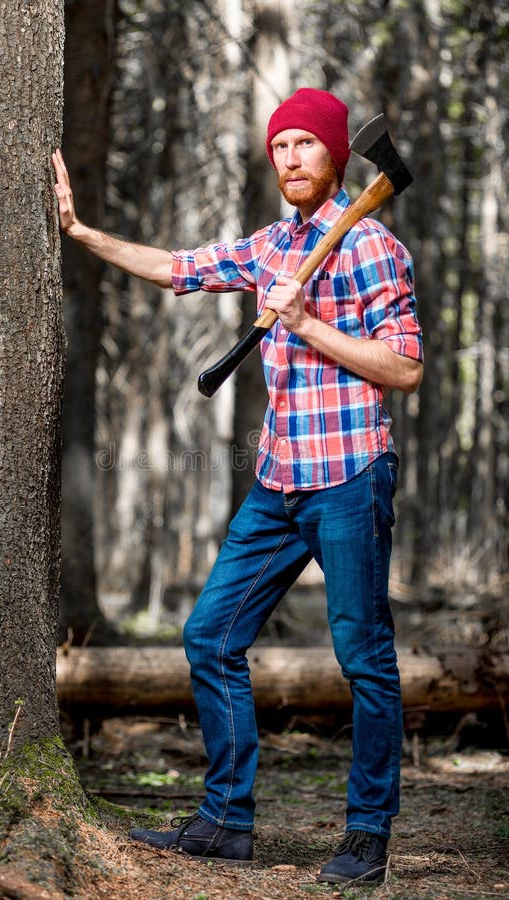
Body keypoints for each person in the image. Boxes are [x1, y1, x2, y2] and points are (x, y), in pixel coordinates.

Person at [52, 87, 423, 885]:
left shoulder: (371, 248)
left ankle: (366, 833)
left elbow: (405, 369)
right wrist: (80, 232)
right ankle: (225, 820)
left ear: (336, 157)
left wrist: (306, 324)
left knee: (362, 658)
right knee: (210, 636)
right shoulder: (271, 246)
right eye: (279, 146)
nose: (290, 159)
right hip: (278, 480)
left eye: (307, 145)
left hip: (351, 475)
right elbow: (177, 269)